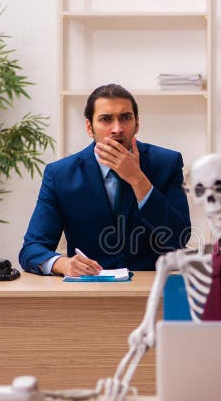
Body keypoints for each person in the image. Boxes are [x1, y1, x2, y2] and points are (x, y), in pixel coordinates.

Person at [19, 84, 191, 276]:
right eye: (106, 119)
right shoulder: (60, 175)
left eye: (125, 118)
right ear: (89, 127)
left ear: (137, 124)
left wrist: (137, 179)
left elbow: (179, 237)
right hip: (89, 291)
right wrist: (63, 264)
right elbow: (32, 249)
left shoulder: (167, 163)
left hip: (152, 289)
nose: (117, 129)